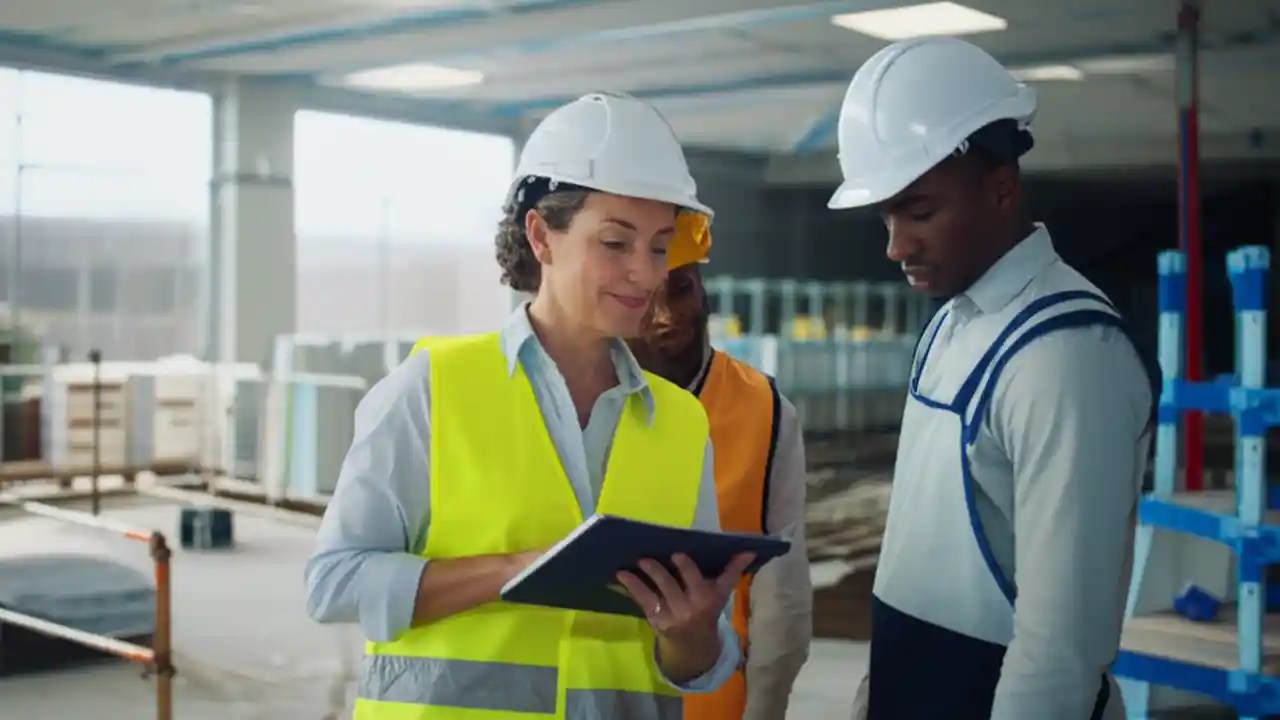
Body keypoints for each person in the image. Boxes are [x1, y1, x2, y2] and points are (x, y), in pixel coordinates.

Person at [304, 91, 754, 719]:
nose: (645, 275)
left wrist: (691, 636)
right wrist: (519, 568)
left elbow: (701, 666)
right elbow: (333, 583)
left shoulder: (680, 424)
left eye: (658, 247)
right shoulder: (433, 387)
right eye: (616, 243)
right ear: (541, 235)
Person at [827, 38, 1161, 720]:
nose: (896, 246)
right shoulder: (953, 324)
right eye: (887, 217)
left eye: (920, 213)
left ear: (1002, 189)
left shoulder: (1066, 355)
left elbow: (1060, 652)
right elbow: (907, 574)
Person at [629, 259, 814, 720]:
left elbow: (782, 592)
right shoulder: (580, 397)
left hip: (716, 702)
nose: (666, 314)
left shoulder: (765, 410)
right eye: (647, 298)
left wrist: (766, 707)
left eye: (680, 290)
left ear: (704, 292)